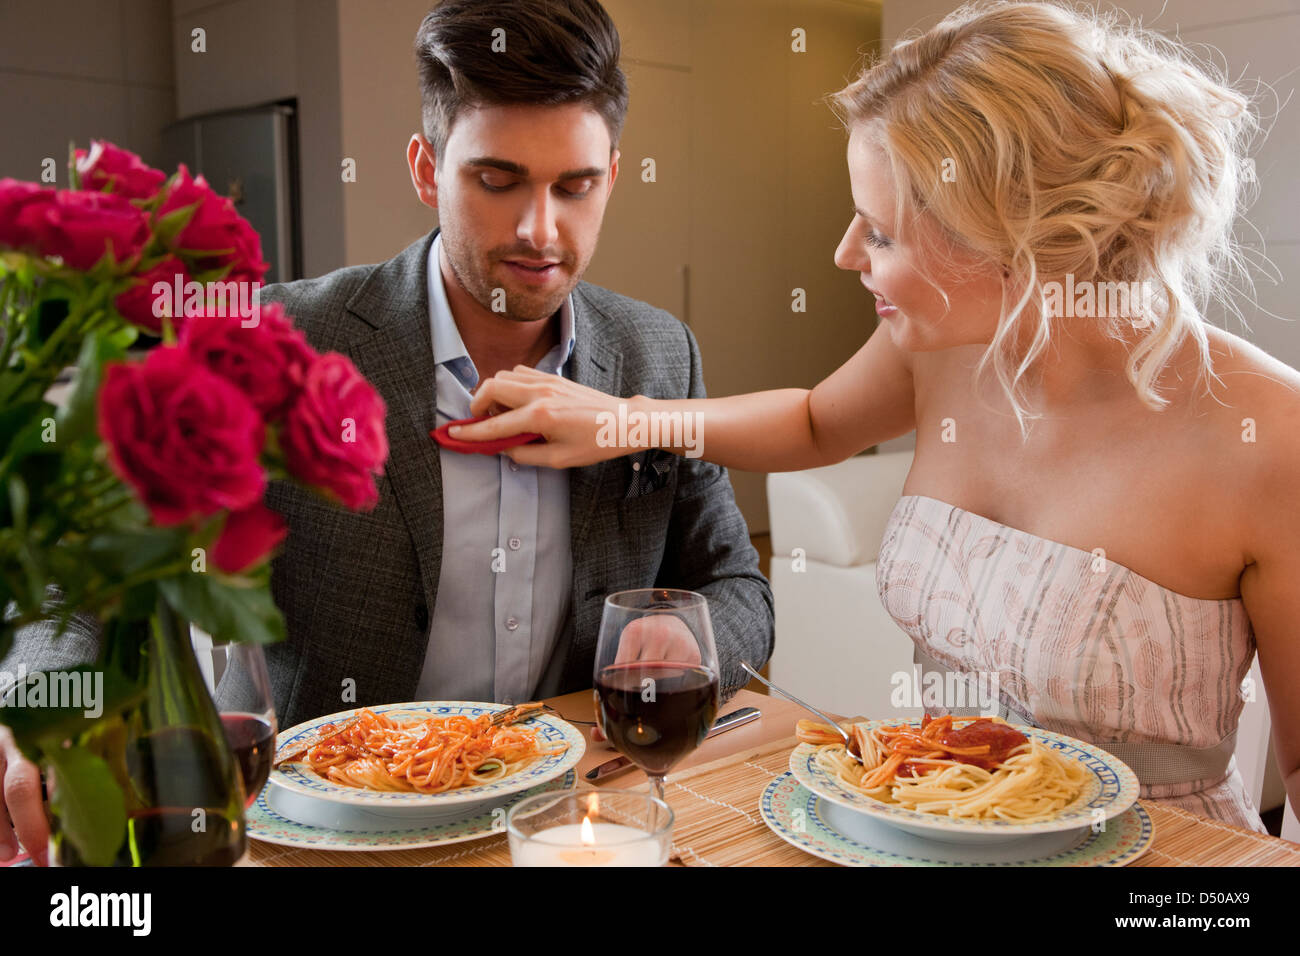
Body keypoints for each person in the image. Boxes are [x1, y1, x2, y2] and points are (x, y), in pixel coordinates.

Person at [455, 0, 1300, 832]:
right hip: (927, 836)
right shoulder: (945, 342)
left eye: (883, 233)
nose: (845, 254)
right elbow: (817, 424)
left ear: (1017, 233)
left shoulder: (1272, 435)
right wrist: (622, 421)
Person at [0, 0, 772, 865]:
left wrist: (688, 634)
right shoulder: (282, 339)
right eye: (497, 178)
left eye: (574, 186)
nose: (539, 230)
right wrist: (40, 697)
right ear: (424, 167)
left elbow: (736, 583)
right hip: (317, 831)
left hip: (569, 822)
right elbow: (87, 560)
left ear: (613, 177)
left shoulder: (658, 353)